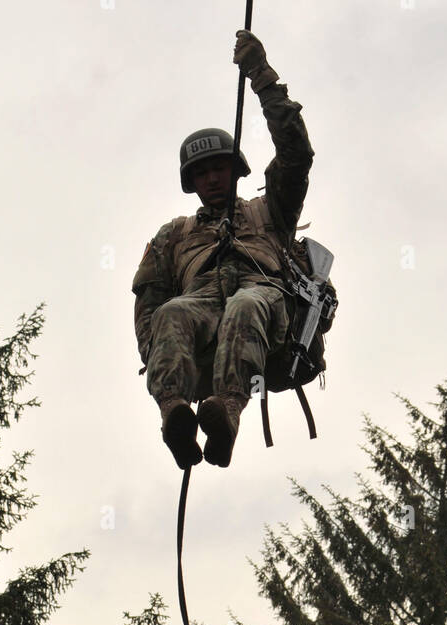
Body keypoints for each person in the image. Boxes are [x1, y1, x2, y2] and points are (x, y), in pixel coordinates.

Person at [132, 29, 314, 469]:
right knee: (171, 313)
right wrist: (159, 359)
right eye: (202, 173)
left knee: (246, 305)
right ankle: (174, 416)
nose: (212, 178)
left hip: (264, 297)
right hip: (201, 309)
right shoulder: (172, 236)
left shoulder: (269, 211)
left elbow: (296, 154)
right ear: (191, 183)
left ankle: (227, 413)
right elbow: (149, 308)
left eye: (220, 168)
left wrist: (261, 76)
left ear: (235, 170)